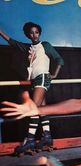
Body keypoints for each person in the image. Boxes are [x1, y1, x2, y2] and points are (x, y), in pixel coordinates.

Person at [0, 22, 64, 156]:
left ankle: (29, 139)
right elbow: (12, 41)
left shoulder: (45, 45)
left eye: (36, 32)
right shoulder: (28, 48)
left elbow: (59, 59)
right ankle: (47, 137)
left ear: (39, 33)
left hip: (42, 78)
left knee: (33, 108)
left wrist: (54, 74)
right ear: (27, 35)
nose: (34, 35)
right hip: (34, 79)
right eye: (31, 33)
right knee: (41, 109)